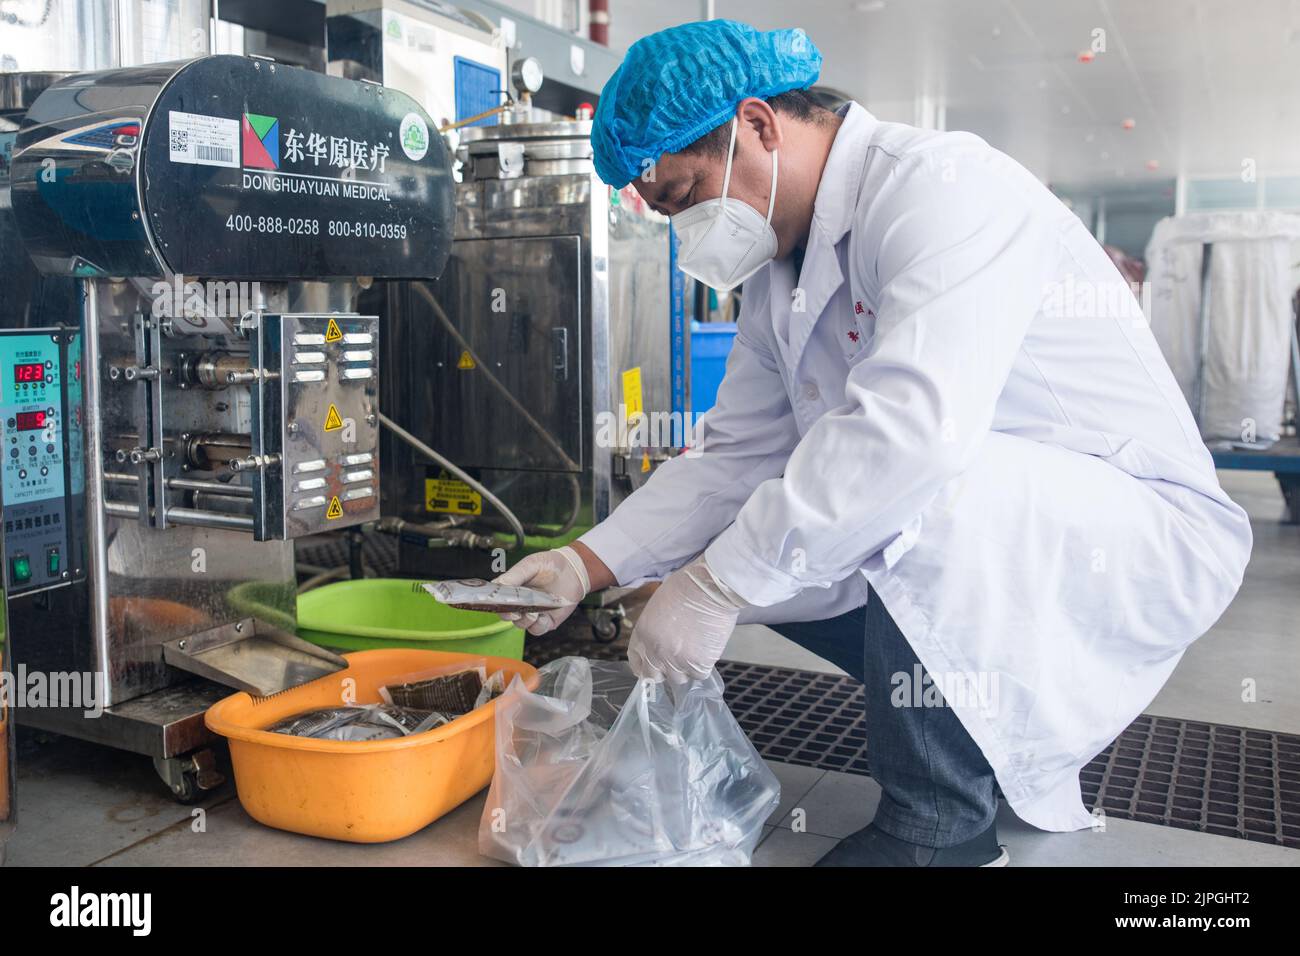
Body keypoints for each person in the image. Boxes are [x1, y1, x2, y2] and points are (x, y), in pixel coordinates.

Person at [494, 20, 1252, 867]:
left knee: (898, 489)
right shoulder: (779, 271)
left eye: (688, 197)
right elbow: (733, 456)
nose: (691, 232)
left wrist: (711, 586)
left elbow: (914, 435)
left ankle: (939, 824)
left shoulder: (943, 189)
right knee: (772, 540)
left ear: (758, 124)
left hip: (1133, 524)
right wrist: (586, 563)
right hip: (1004, 522)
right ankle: (975, 731)